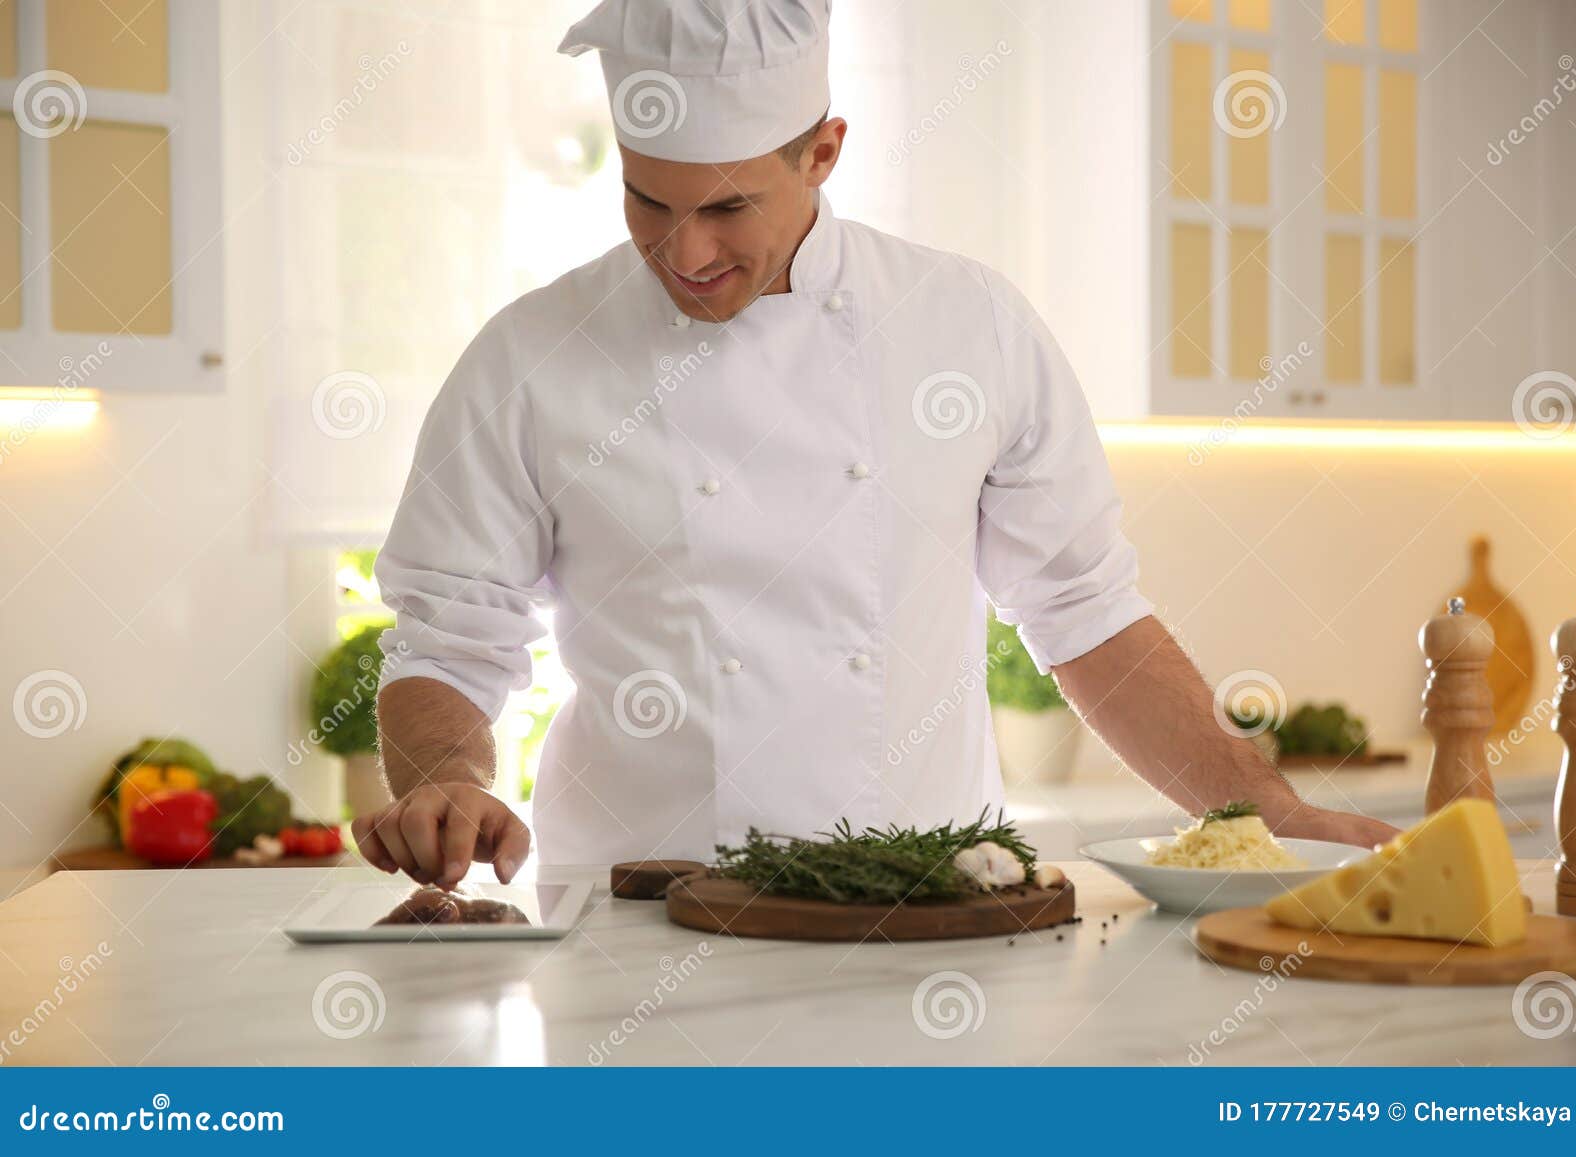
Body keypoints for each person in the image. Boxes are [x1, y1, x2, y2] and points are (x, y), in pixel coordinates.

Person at [353, 0, 1398, 888]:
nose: (686, 250)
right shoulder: (531, 356)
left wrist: (1265, 809)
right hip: (636, 925)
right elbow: (448, 635)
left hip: (929, 911)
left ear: (823, 152)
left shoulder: (966, 325)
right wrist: (447, 778)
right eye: (647, 198)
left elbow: (1084, 610)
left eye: (726, 206)